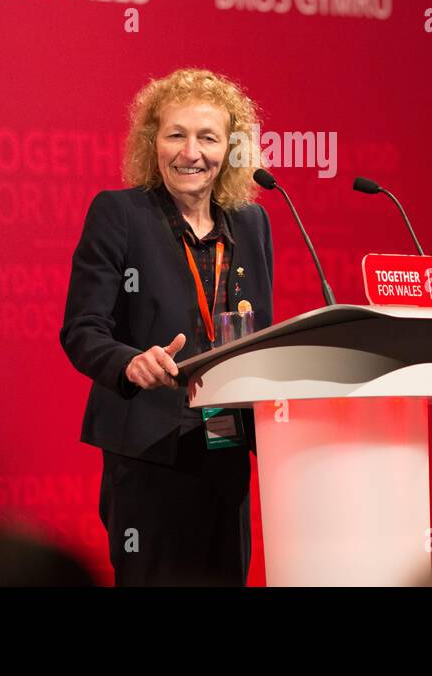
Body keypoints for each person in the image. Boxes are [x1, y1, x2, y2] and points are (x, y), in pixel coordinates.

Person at [60, 67, 274, 586]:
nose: (190, 152)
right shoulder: (120, 214)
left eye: (208, 137)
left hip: (226, 446)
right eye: (175, 134)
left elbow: (261, 330)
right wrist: (130, 363)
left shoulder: (250, 222)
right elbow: (82, 329)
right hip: (151, 448)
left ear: (232, 149)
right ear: (152, 141)